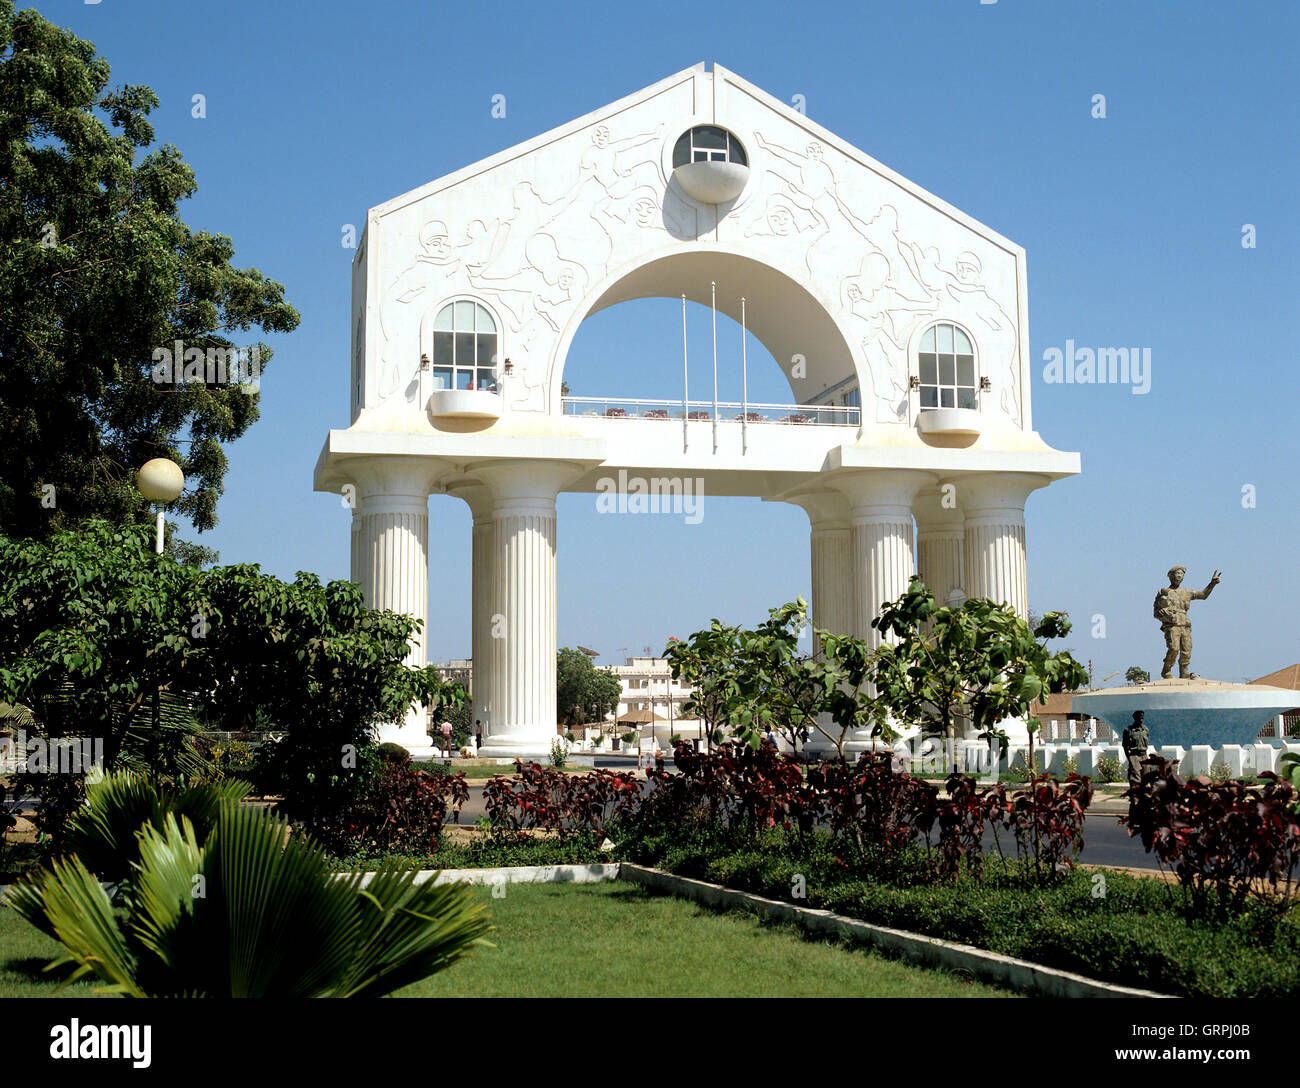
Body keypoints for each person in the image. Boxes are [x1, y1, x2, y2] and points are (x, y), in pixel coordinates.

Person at [1154, 566, 1221, 679]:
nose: (1179, 576)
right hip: (1172, 625)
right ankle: (1166, 670)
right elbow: (1155, 613)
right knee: (1174, 649)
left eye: (1181, 574)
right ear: (1170, 576)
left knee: (1186, 649)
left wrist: (1212, 584)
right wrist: (1161, 614)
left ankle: (1184, 671)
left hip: (1185, 625)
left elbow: (1203, 595)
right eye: (1176, 573)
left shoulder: (1187, 592)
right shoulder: (1163, 592)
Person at [1121, 711, 1150, 789]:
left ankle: (1143, 799)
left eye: (1142, 716)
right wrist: (1130, 758)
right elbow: (1125, 746)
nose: (1141, 718)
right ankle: (1134, 799)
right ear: (1134, 718)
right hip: (1134, 755)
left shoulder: (1145, 729)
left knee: (1146, 779)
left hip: (1144, 756)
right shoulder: (1128, 730)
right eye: (1139, 716)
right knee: (1135, 779)